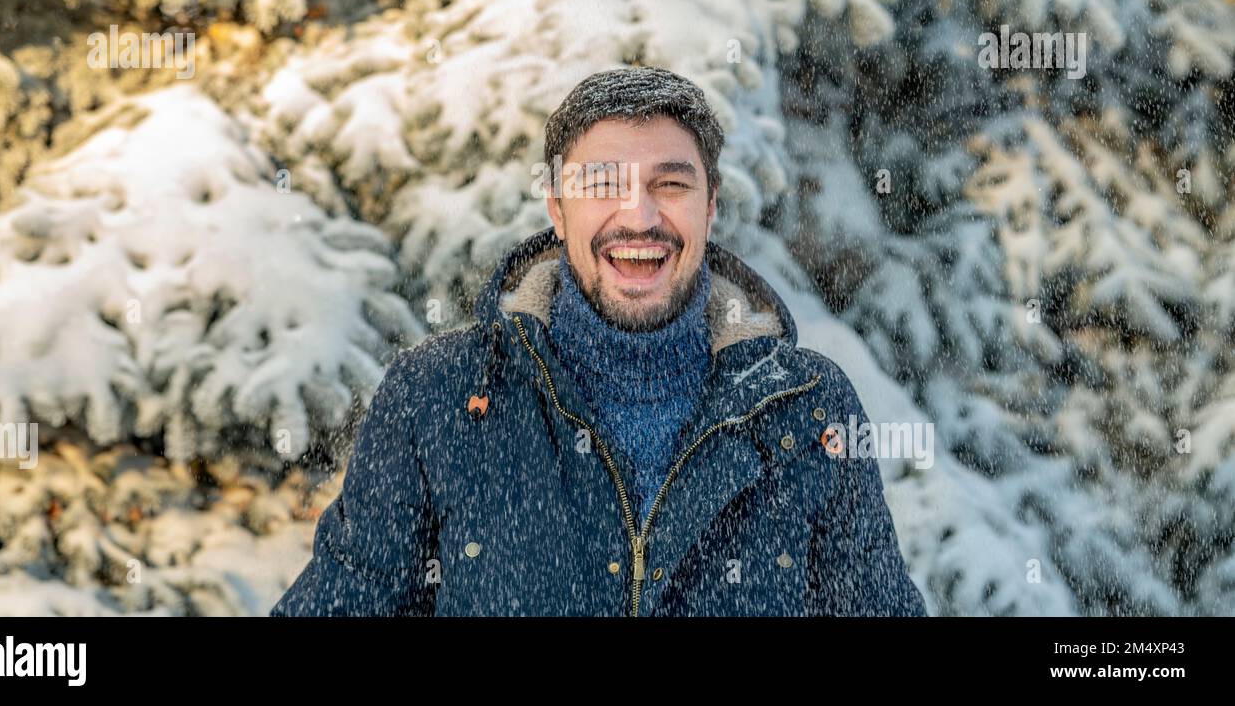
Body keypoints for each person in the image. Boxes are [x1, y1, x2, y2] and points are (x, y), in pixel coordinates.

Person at [271, 65, 927, 616]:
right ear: (557, 208)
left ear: (712, 206)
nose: (638, 216)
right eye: (602, 185)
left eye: (670, 185)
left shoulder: (805, 407)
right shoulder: (438, 394)